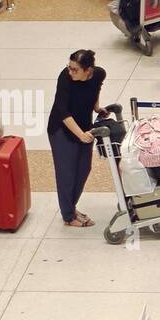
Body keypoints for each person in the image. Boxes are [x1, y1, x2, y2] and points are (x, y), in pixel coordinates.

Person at [47, 50, 108, 228]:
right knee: (67, 173)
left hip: (84, 126)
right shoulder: (65, 78)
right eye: (69, 67)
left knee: (83, 169)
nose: (70, 72)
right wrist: (80, 134)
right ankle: (68, 215)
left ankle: (71, 206)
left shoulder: (98, 74)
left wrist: (96, 108)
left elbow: (96, 87)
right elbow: (62, 110)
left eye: (75, 69)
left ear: (88, 70)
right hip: (62, 128)